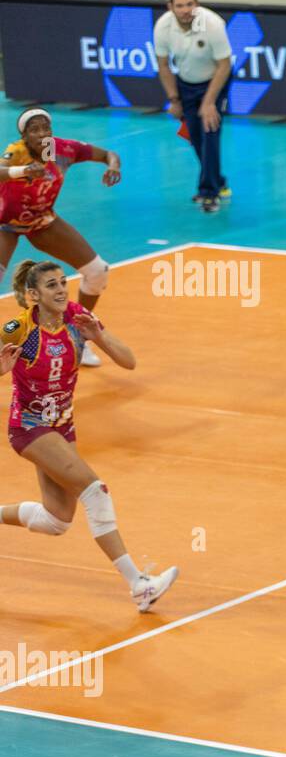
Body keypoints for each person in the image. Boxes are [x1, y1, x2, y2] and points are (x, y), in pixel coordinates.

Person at [1, 260, 179, 612]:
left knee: (56, 520)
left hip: (63, 425)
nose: (61, 290)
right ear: (33, 295)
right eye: (51, 285)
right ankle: (138, 585)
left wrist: (99, 335)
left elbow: (129, 362)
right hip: (30, 426)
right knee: (95, 491)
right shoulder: (18, 330)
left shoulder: (77, 319)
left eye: (62, 282)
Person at [0, 109, 121, 367]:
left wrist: (113, 165)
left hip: (41, 221)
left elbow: (108, 154)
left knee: (98, 271)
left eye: (46, 128)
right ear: (24, 135)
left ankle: (78, 339)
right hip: (4, 225)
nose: (42, 134)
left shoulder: (64, 150)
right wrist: (21, 171)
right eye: (34, 129)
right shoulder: (16, 152)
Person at [154, 0, 232, 213]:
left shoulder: (212, 24)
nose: (186, 10)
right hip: (186, 84)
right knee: (195, 136)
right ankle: (219, 181)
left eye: (190, 4)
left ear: (195, 4)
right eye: (180, 6)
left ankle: (209, 192)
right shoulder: (162, 27)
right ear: (171, 7)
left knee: (210, 131)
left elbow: (224, 65)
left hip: (215, 81)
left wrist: (209, 103)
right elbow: (163, 65)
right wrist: (174, 99)